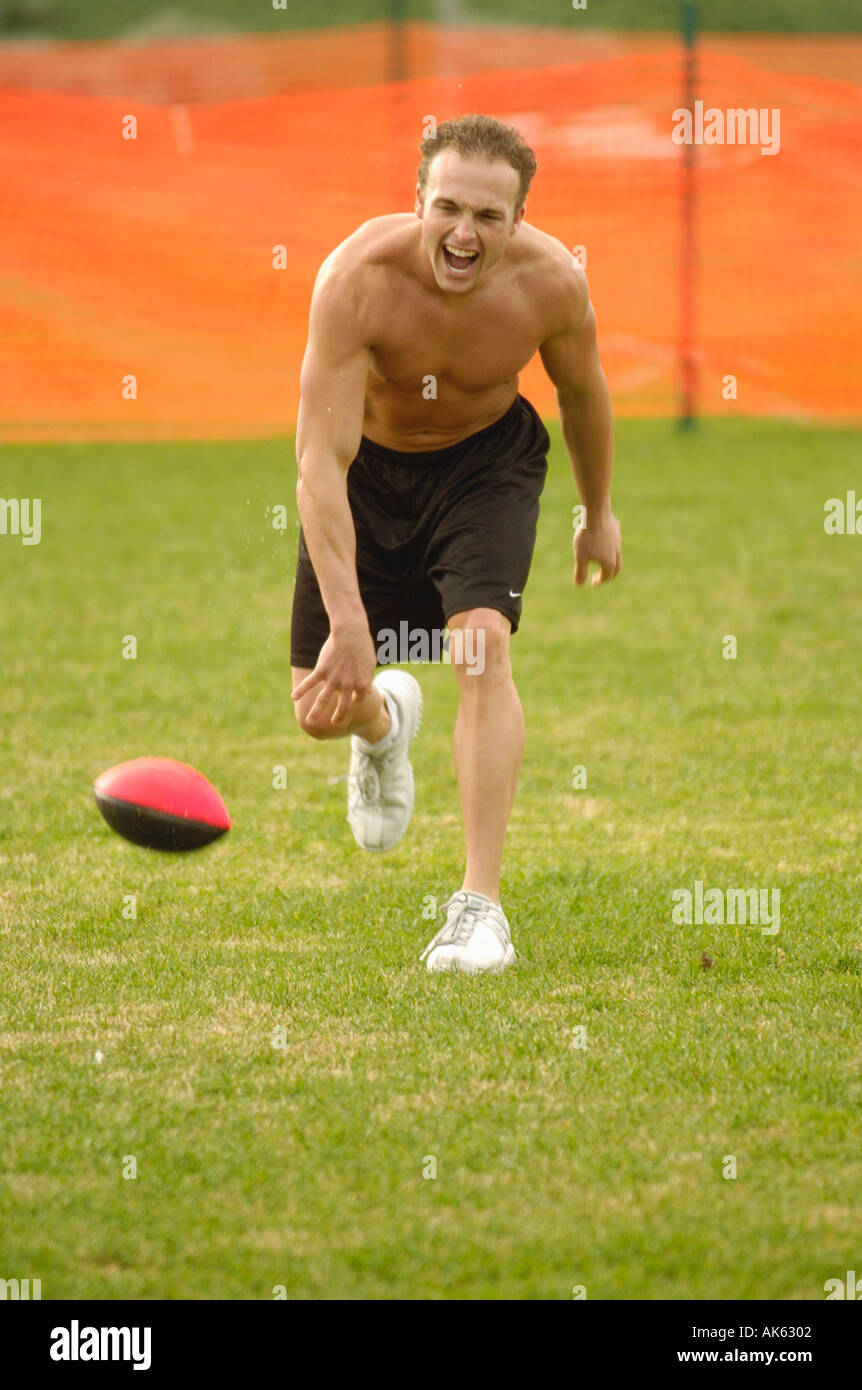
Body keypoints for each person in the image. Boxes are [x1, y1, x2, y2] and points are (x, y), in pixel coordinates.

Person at [290, 114, 621, 975]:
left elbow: (583, 392)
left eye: (489, 216)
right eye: (449, 209)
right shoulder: (354, 278)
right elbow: (319, 462)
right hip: (366, 472)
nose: (465, 233)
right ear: (418, 202)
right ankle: (384, 723)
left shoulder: (551, 284)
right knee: (318, 710)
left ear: (519, 222)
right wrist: (350, 620)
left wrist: (598, 511)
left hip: (485, 463)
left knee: (480, 651)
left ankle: (480, 910)